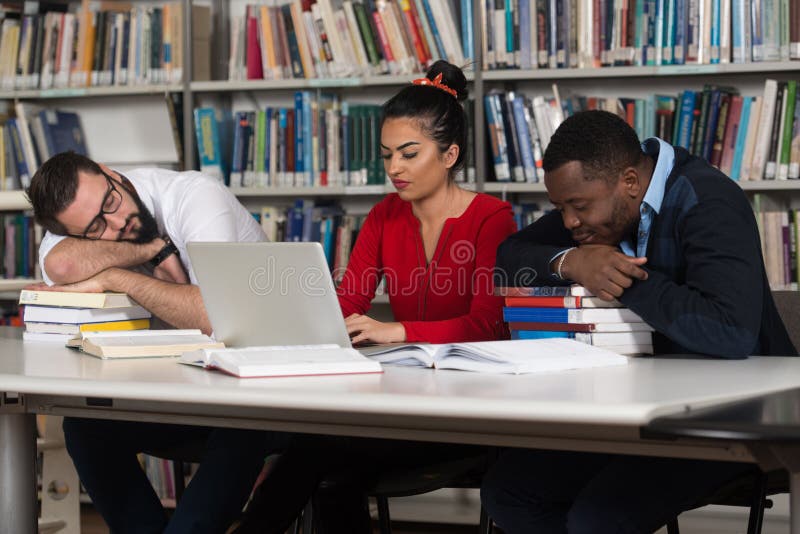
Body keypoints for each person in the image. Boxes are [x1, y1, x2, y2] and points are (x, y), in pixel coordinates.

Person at [233, 60, 517, 534]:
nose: (394, 169)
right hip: (399, 404)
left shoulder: (492, 218)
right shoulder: (386, 215)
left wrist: (396, 330)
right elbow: (348, 300)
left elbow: (491, 325)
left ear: (449, 155)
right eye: (387, 156)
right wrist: (291, 323)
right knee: (326, 469)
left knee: (313, 450)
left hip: (471, 408)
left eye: (409, 153)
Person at [481, 109, 798, 534]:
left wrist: (618, 276)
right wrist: (573, 260)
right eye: (561, 208)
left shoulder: (709, 201)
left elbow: (730, 331)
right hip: (631, 408)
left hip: (728, 417)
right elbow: (508, 259)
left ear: (629, 182)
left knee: (598, 517)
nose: (570, 222)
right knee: (509, 490)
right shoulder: (597, 204)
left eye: (577, 207)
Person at [26, 152, 276, 534]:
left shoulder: (194, 197)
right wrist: (151, 249)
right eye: (95, 227)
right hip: (183, 393)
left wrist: (121, 278)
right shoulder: (87, 225)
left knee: (238, 426)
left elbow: (214, 317)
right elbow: (59, 266)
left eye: (110, 201)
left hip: (262, 394)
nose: (117, 222)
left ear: (113, 175)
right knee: (85, 428)